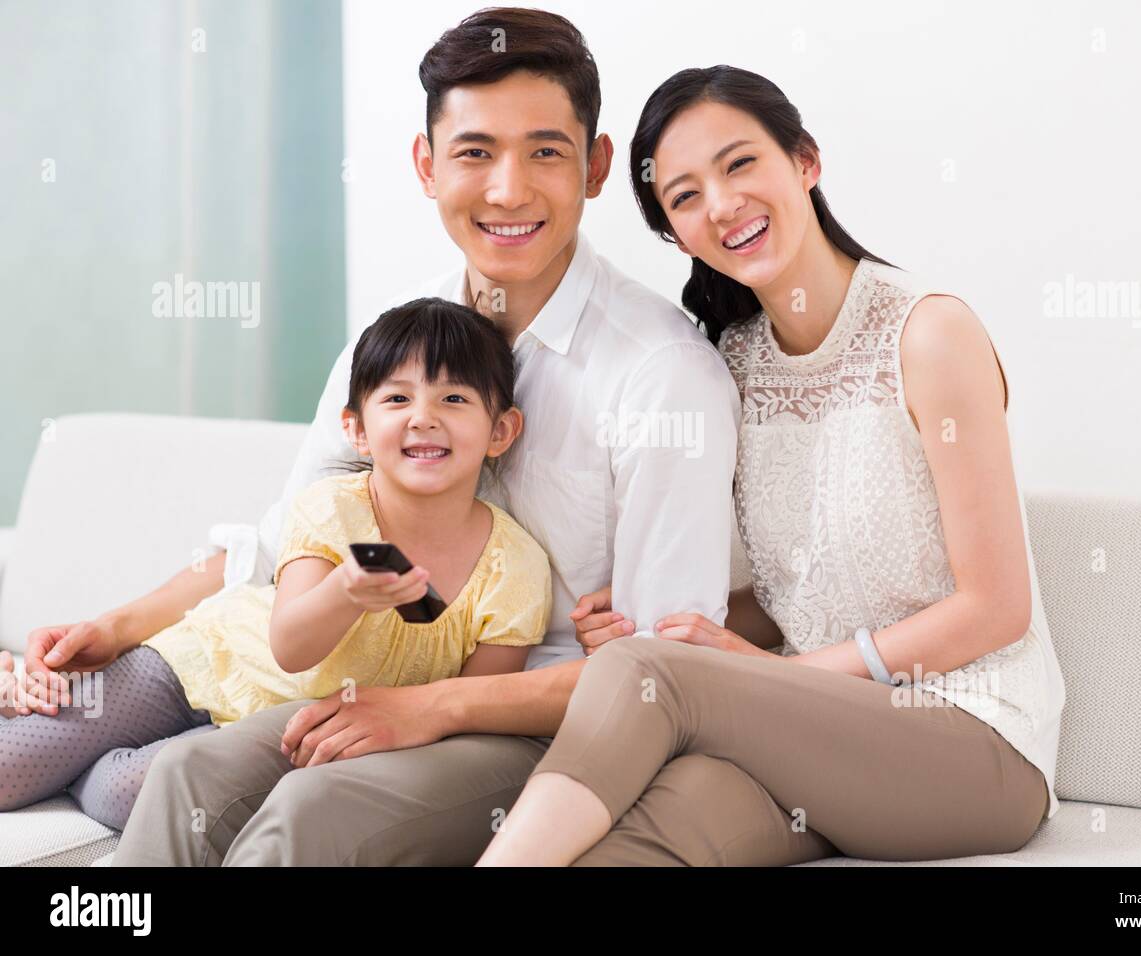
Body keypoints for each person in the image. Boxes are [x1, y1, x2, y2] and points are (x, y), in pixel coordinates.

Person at [101, 8, 739, 865]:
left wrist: (430, 709)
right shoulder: (395, 342)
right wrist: (118, 624)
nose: (508, 190)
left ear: (593, 167)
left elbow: (666, 676)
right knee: (182, 777)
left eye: (545, 151)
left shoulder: (662, 375)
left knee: (311, 812)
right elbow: (292, 531)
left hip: (545, 727)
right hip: (373, 687)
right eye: (475, 152)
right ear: (426, 165)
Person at [476, 65, 1067, 865]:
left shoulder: (929, 335)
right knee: (648, 830)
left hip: (973, 742)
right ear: (676, 234)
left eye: (739, 163)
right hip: (823, 741)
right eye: (683, 197)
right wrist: (685, 622)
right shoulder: (736, 362)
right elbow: (805, 592)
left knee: (652, 672)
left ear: (806, 161)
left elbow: (997, 608)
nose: (720, 205)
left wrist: (769, 675)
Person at [0, 298, 550, 831]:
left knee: (136, 794)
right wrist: (348, 592)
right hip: (196, 663)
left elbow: (468, 710)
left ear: (500, 430)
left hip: (277, 729)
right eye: (398, 399)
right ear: (356, 429)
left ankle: (77, 768)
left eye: (454, 399)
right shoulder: (331, 507)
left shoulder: (515, 568)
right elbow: (289, 646)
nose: (423, 419)